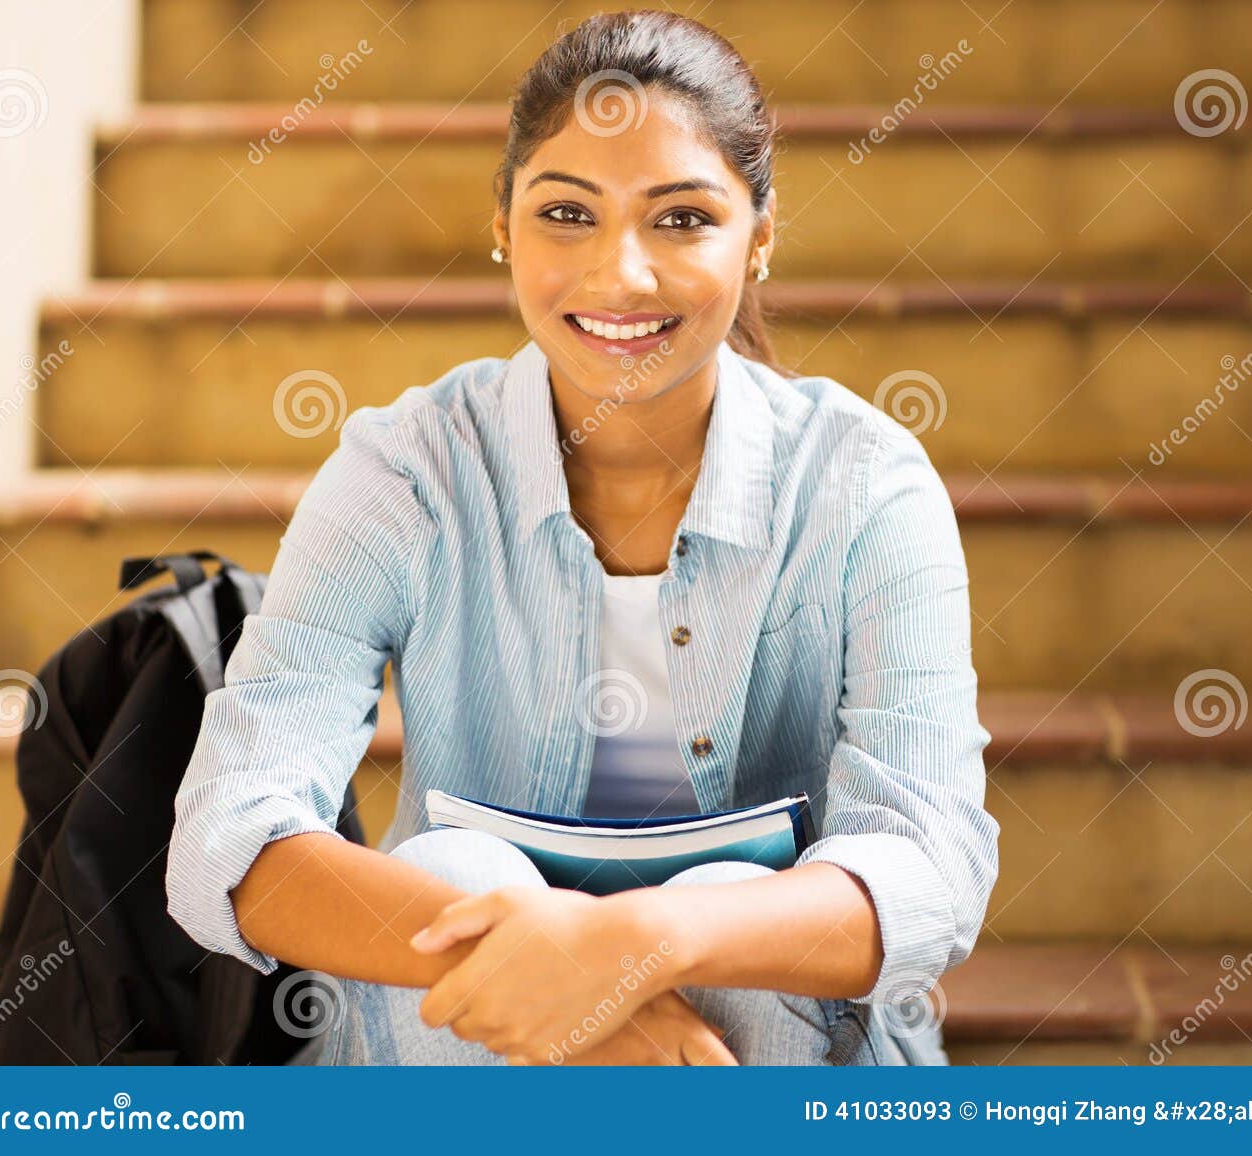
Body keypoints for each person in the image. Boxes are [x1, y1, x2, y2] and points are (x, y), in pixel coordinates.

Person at [165, 8, 999, 1067]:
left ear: (760, 239)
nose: (620, 276)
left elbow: (931, 868)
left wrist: (637, 944)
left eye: (682, 219)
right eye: (567, 213)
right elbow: (230, 833)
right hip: (462, 1054)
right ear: (504, 227)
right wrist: (571, 995)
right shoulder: (407, 471)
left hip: (780, 1050)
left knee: (737, 913)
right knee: (460, 876)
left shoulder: (864, 482)